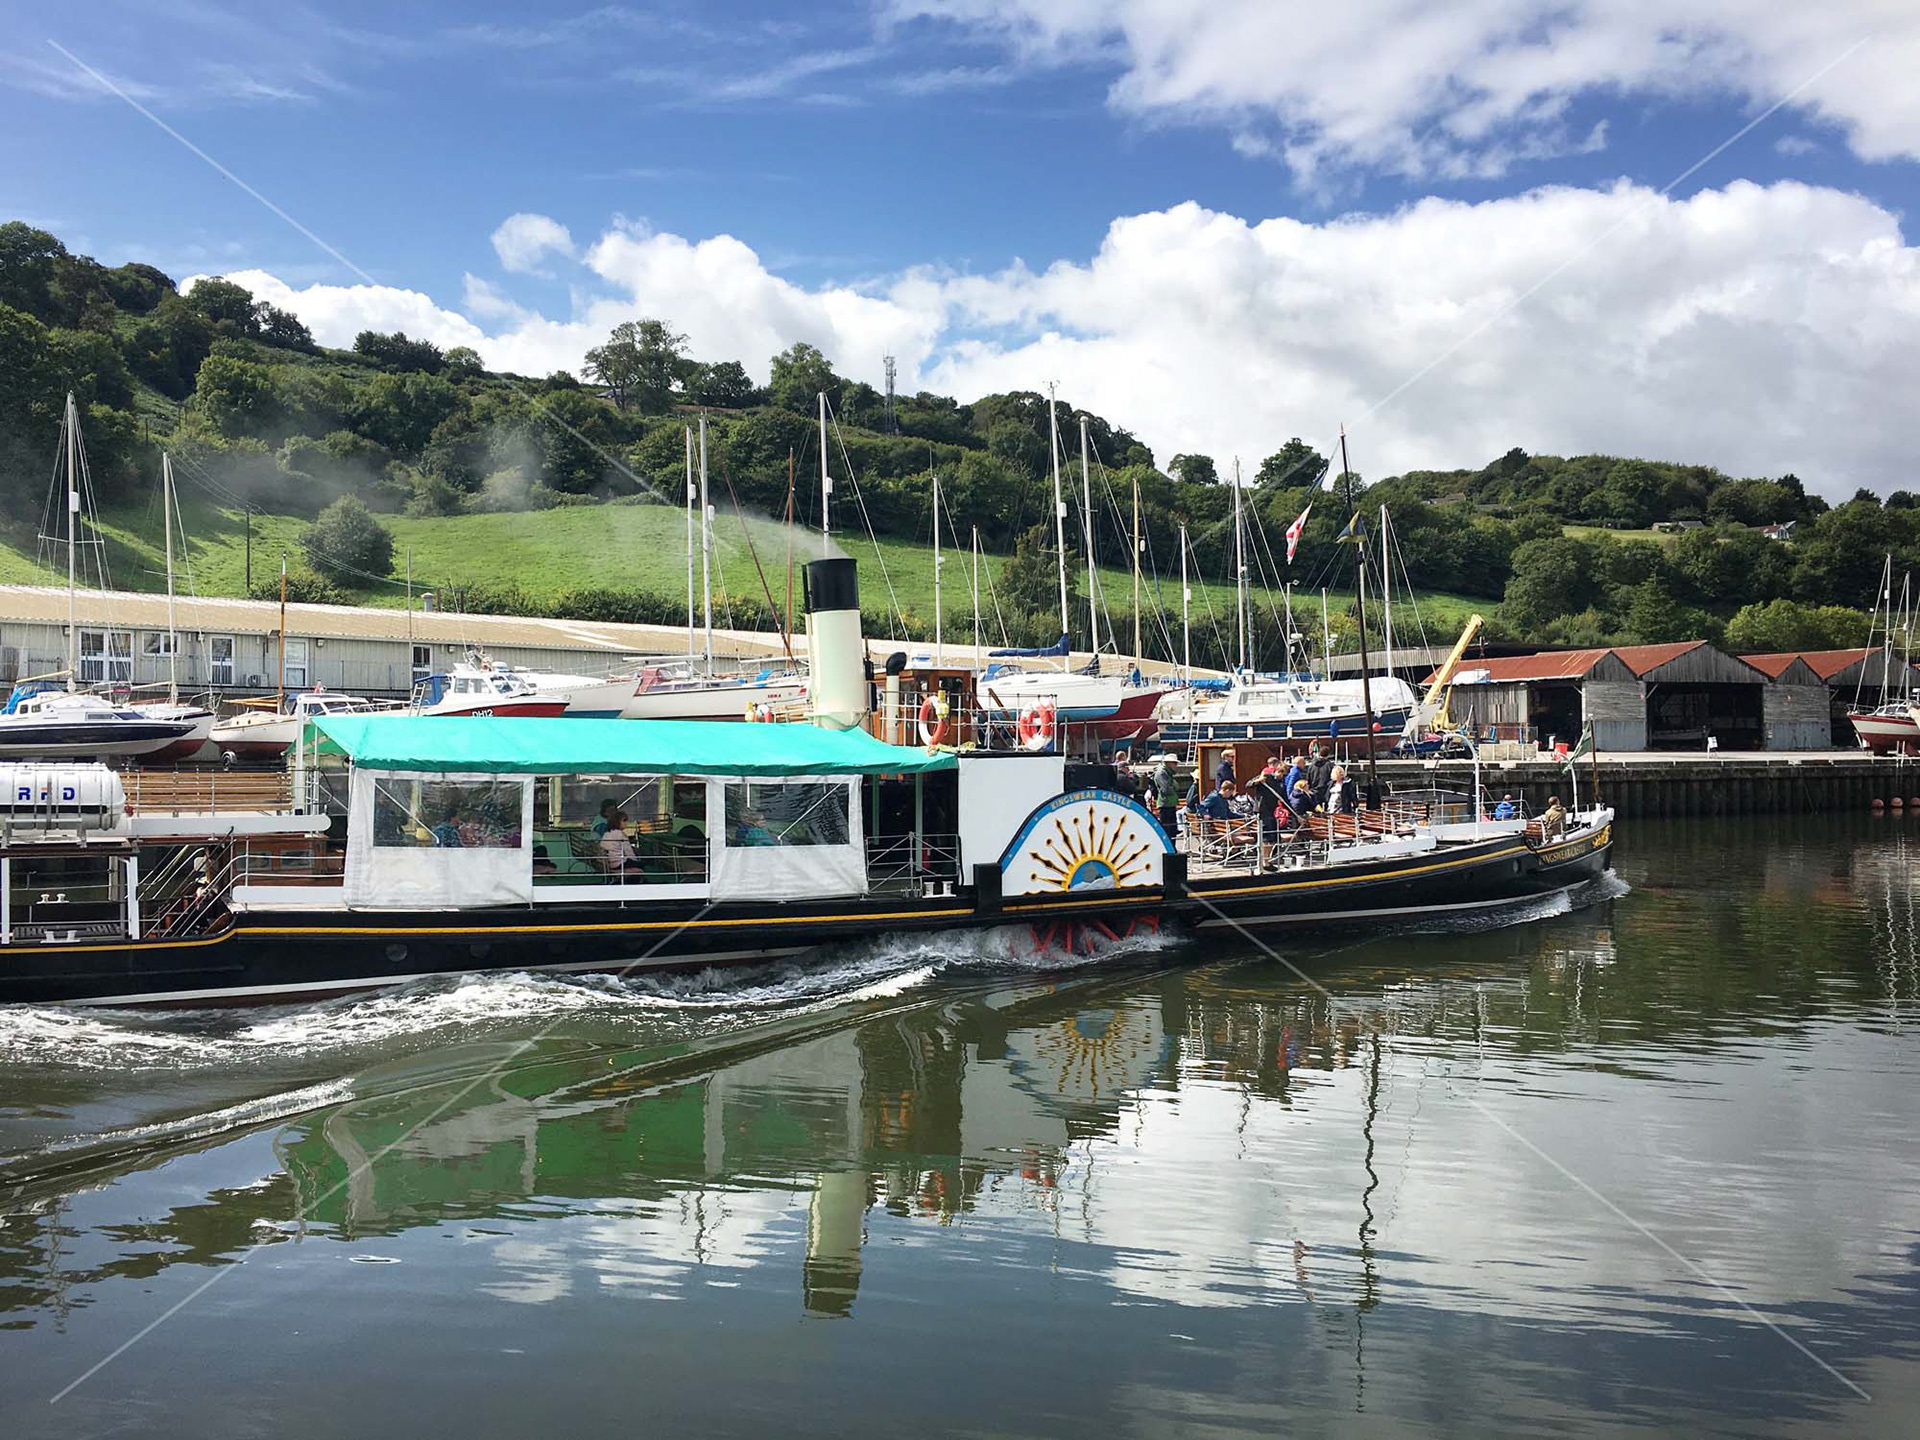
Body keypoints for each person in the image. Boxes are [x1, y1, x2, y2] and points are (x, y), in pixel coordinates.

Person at [1248, 760, 1287, 864]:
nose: (1282, 775)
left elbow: (1285, 799)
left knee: (1274, 837)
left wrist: (1295, 815)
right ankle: (1264, 861)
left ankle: (1267, 859)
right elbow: (1248, 785)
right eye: (1280, 772)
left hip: (1271, 811)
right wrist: (1259, 780)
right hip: (1262, 810)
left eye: (1284, 773)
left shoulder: (1280, 784)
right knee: (1267, 837)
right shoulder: (1265, 778)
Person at [599, 809, 639, 874]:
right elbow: (628, 851)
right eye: (624, 820)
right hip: (620, 863)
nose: (626, 823)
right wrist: (635, 860)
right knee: (642, 864)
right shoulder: (621, 835)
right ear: (617, 822)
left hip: (610, 863)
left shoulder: (606, 834)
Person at [1153, 763, 1180, 835]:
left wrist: (1173, 786)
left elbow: (1176, 787)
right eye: (1175, 763)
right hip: (1165, 804)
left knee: (1172, 830)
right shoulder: (1162, 773)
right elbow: (1166, 789)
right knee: (1167, 830)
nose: (1176, 765)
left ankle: (1172, 845)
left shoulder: (1168, 773)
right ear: (1169, 763)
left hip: (1169, 803)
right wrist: (1173, 786)